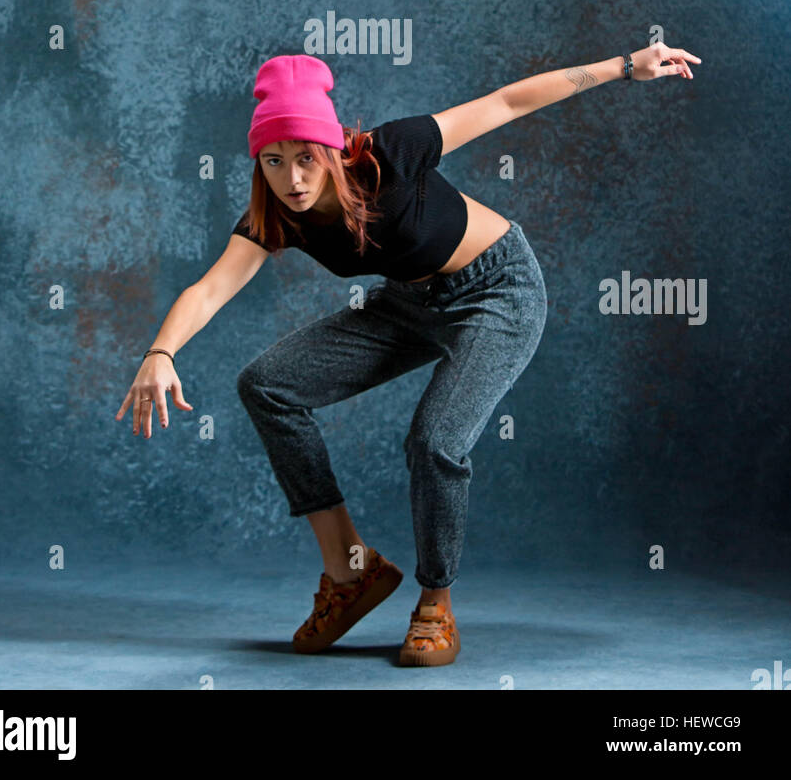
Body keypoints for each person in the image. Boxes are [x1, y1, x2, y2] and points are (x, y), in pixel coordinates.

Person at [116, 44, 701, 667]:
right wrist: (161, 350)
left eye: (307, 158)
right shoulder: (276, 215)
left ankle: (435, 603)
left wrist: (621, 67)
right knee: (268, 385)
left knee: (435, 440)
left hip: (497, 292)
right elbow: (210, 287)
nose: (294, 179)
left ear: (334, 149)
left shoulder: (389, 153)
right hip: (407, 304)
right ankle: (350, 571)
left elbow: (505, 102)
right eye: (275, 161)